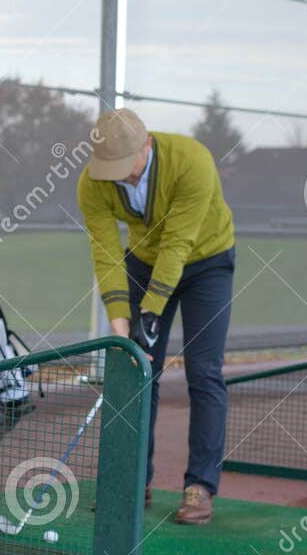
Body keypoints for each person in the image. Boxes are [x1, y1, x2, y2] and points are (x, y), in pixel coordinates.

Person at [78, 108, 236, 525]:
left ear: (145, 146)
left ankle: (200, 486)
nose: (116, 176)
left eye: (123, 165)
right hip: (144, 263)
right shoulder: (93, 183)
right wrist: (121, 326)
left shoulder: (192, 161)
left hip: (207, 262)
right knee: (137, 371)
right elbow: (106, 253)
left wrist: (150, 311)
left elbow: (178, 244)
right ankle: (131, 482)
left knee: (203, 371)